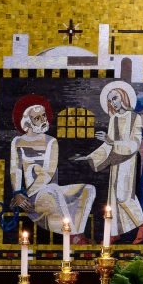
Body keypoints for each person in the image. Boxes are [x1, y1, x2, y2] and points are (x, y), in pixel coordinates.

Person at [74, 81, 143, 244]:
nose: (113, 103)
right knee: (113, 198)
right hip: (115, 160)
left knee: (123, 196)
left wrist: (111, 141)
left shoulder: (135, 118)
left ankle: (142, 225)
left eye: (115, 98)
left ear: (124, 97)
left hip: (128, 160)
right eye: (110, 100)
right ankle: (114, 232)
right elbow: (107, 145)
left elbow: (135, 143)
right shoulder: (114, 119)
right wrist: (89, 157)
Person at [8, 96, 95, 237]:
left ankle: (77, 234)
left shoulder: (51, 141)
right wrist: (17, 193)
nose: (43, 120)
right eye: (37, 118)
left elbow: (48, 173)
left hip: (45, 190)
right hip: (34, 198)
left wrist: (24, 194)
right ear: (27, 122)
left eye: (43, 116)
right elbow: (15, 169)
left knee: (89, 190)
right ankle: (73, 236)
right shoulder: (17, 142)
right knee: (53, 191)